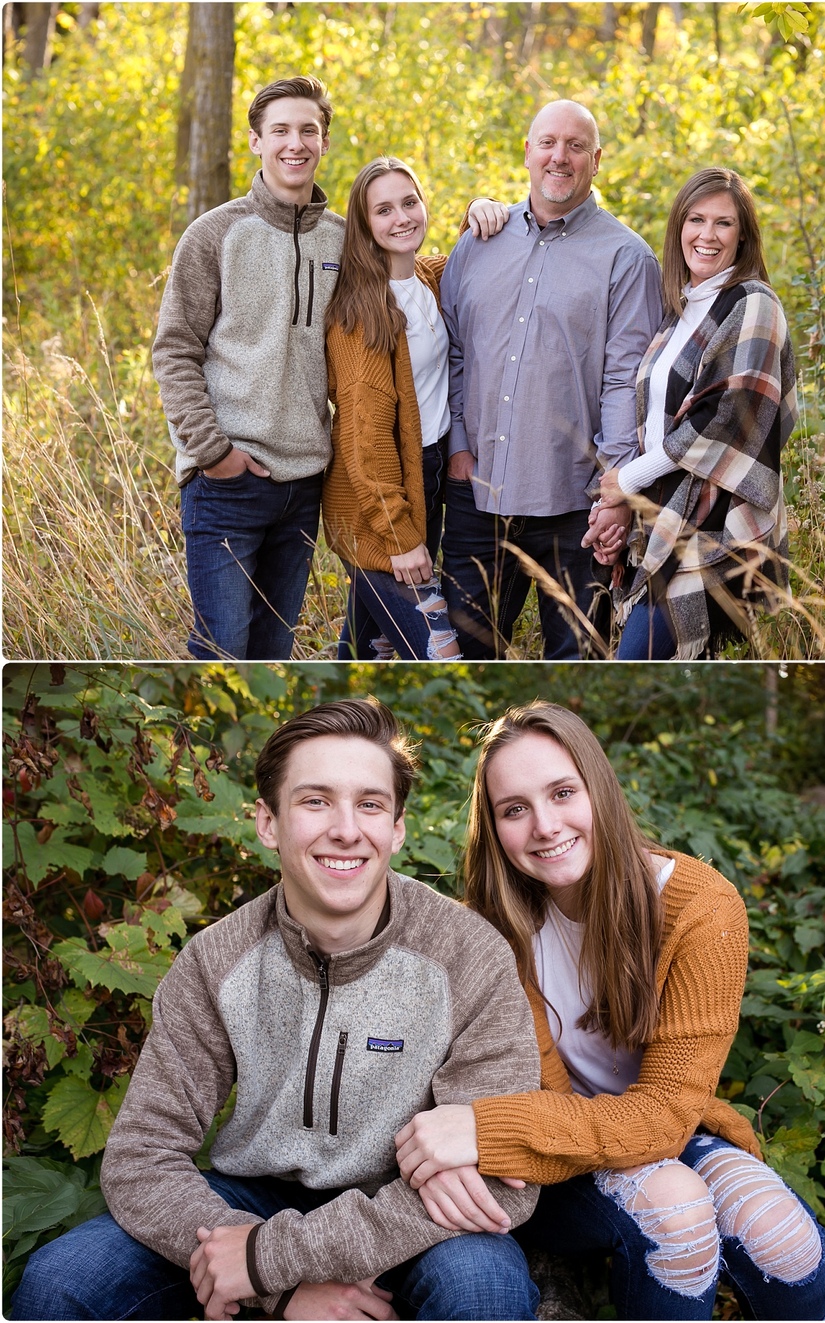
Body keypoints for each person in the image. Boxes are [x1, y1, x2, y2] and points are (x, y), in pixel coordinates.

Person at [11, 700, 541, 1323]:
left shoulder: (467, 954)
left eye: (370, 805)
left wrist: (268, 1259)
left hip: (407, 1211)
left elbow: (506, 1180)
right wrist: (281, 1288)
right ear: (268, 822)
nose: (346, 829)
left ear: (397, 829)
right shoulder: (217, 961)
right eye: (315, 801)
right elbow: (141, 1155)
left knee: (482, 1292)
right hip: (252, 1198)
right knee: (59, 1284)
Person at [394, 702, 825, 1321]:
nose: (545, 826)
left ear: (598, 789)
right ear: (493, 828)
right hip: (550, 1169)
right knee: (676, 1213)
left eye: (563, 793)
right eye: (514, 810)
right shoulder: (490, 930)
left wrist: (484, 1131)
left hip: (662, 1127)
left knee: (780, 1236)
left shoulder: (698, 909)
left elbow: (664, 1116)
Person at [439, 99, 663, 660]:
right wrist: (460, 449)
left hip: (574, 503)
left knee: (577, 663)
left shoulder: (627, 258)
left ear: (597, 160)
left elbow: (624, 382)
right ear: (527, 151)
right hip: (475, 495)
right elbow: (454, 351)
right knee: (464, 660)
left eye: (576, 146)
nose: (559, 157)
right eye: (548, 143)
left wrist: (615, 491)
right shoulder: (476, 243)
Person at [153, 76, 344, 662]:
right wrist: (215, 454)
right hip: (227, 483)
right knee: (223, 650)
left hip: (305, 483)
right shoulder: (215, 234)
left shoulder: (343, 239)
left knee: (273, 655)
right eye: (280, 130)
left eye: (308, 130)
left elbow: (413, 270)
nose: (296, 143)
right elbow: (174, 350)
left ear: (324, 143)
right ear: (257, 142)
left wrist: (477, 213)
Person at [597, 167, 796, 660]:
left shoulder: (753, 303)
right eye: (696, 219)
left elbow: (723, 419)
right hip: (661, 522)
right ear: (678, 228)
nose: (707, 235)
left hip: (716, 527)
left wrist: (626, 479)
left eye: (723, 223)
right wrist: (624, 505)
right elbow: (656, 420)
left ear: (743, 233)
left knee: (634, 661)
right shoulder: (678, 312)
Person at [322, 158, 507, 661]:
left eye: (410, 202)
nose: (402, 218)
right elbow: (366, 441)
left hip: (427, 476)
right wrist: (401, 537)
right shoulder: (362, 315)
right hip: (379, 499)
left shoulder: (427, 278)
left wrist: (478, 209)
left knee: (370, 648)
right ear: (364, 225)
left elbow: (471, 258)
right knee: (437, 652)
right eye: (383, 210)